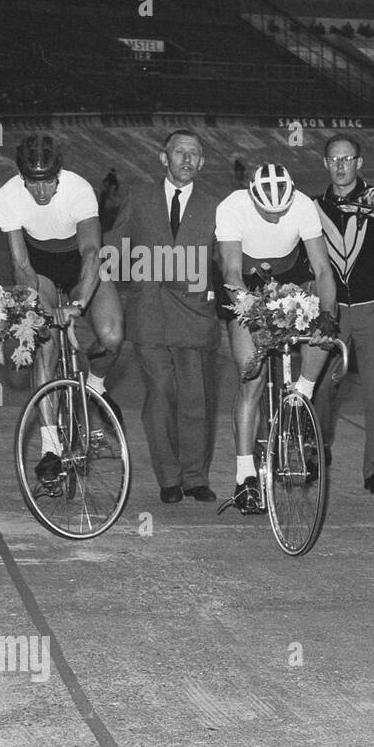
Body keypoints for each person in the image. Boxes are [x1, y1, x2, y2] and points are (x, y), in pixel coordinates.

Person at [0, 134, 124, 483]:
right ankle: (50, 448)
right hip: (39, 270)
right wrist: (38, 311)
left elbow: (92, 254)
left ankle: (95, 385)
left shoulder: (78, 190)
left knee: (112, 336)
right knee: (46, 344)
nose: (40, 192)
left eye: (47, 182)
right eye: (32, 183)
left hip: (79, 262)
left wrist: (79, 304)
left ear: (59, 174)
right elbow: (21, 264)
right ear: (22, 177)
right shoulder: (6, 196)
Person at [216, 164, 338, 515]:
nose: (275, 217)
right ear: (252, 197)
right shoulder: (232, 206)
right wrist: (253, 316)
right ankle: (244, 478)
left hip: (289, 278)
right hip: (245, 285)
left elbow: (322, 268)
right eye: (267, 211)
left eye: (280, 211)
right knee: (251, 377)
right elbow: (232, 273)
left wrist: (327, 315)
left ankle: (301, 397)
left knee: (323, 328)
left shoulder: (301, 205)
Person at [111, 128, 221, 504]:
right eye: (179, 152)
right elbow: (115, 246)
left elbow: (227, 261)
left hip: (195, 318)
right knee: (160, 395)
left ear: (202, 163)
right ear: (164, 157)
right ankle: (169, 479)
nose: (186, 160)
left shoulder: (214, 206)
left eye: (193, 154)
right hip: (150, 316)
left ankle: (195, 477)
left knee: (196, 399)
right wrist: (94, 284)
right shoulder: (138, 197)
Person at [314, 134, 374, 496]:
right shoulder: (314, 206)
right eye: (334, 160)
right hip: (331, 310)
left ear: (359, 163)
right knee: (320, 388)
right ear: (325, 163)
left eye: (347, 159)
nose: (341, 166)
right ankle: (318, 448)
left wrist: (356, 208)